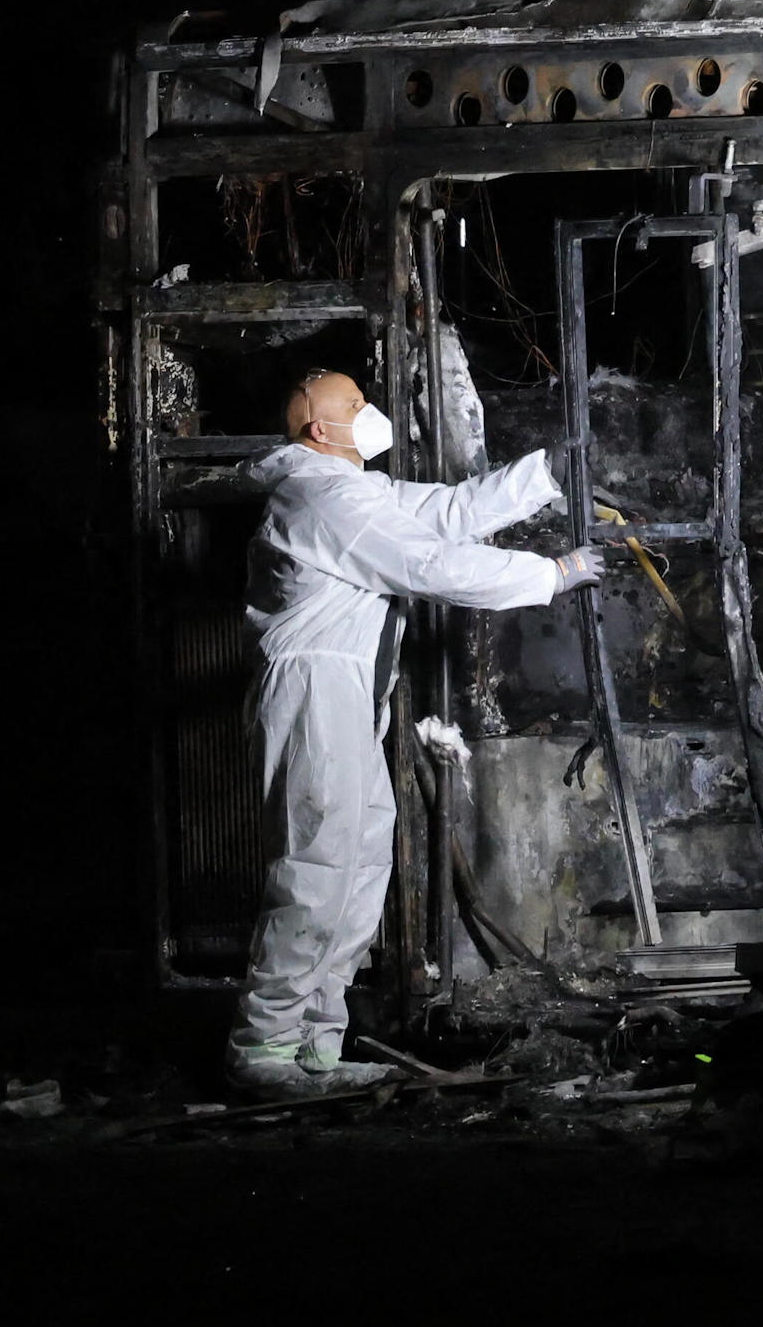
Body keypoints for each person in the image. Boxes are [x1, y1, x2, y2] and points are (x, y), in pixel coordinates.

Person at [230, 367, 606, 1097]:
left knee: (361, 862)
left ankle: (314, 1048)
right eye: (355, 406)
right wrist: (549, 575)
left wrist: (544, 475)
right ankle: (263, 1047)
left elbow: (447, 514)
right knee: (317, 868)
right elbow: (429, 562)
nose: (369, 414)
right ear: (318, 429)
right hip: (313, 691)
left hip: (344, 694)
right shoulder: (319, 496)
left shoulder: (354, 492)